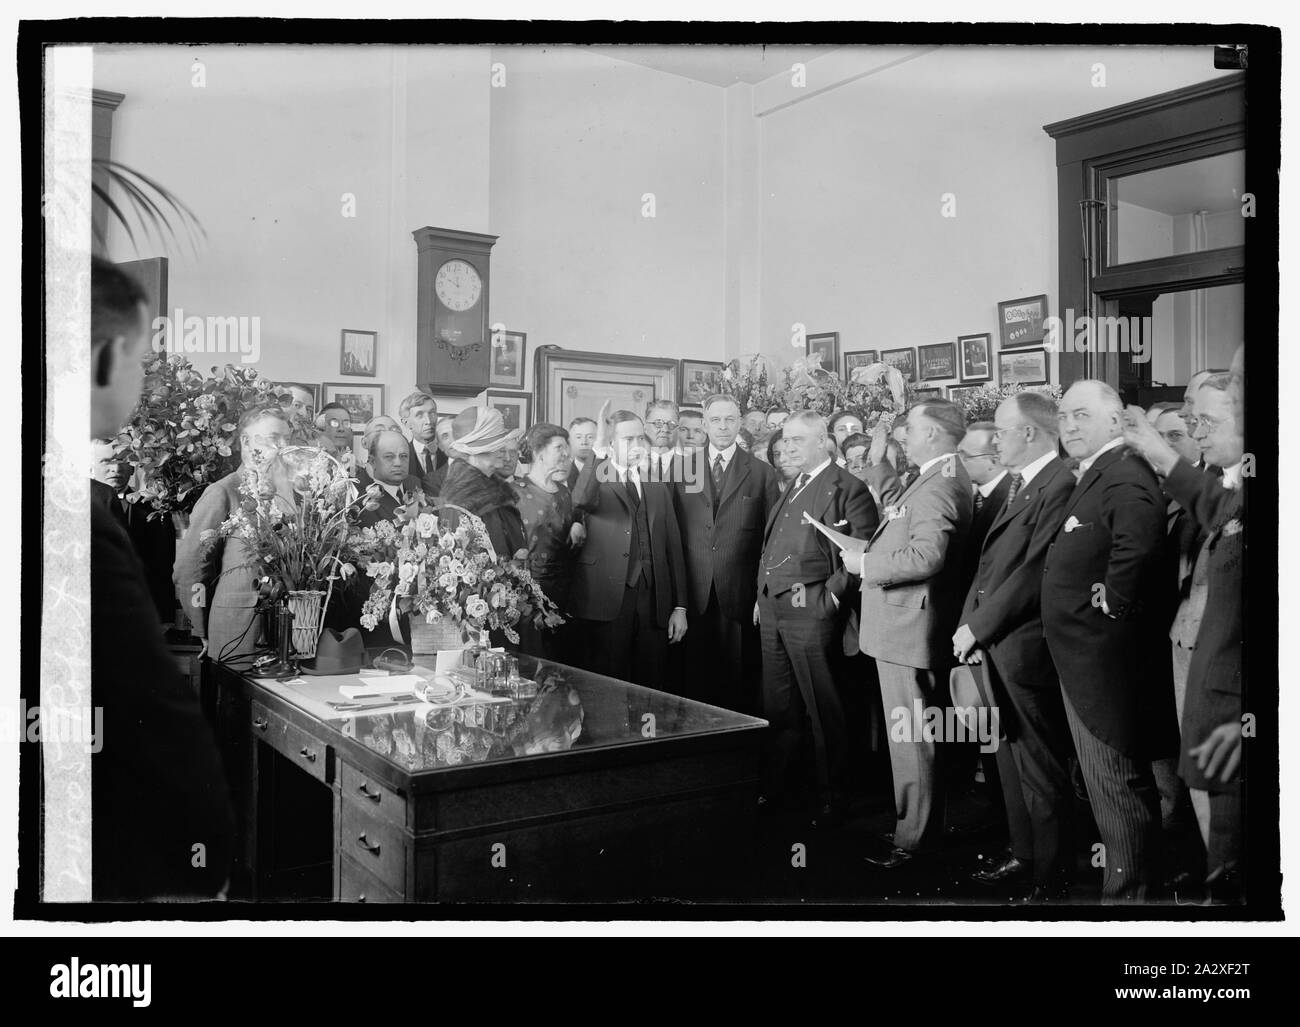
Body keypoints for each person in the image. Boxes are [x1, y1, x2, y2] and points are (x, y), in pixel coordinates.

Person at [88, 255, 232, 900]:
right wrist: (202, 859)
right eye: (142, 361)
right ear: (104, 357)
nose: (143, 380)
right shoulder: (77, 516)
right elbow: (145, 703)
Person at [1041, 379, 1176, 903]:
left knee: (1116, 789)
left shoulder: (1121, 472)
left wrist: (1112, 609)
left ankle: (1130, 904)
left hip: (1103, 663)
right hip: (1086, 660)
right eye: (1064, 417)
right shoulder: (1102, 470)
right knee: (1107, 789)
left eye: (1081, 415)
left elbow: (1138, 545)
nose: (1069, 425)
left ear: (1116, 422)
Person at [1123, 352, 1246, 902]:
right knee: (1203, 794)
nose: (1197, 432)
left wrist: (1158, 452)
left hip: (1229, 681)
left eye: (1209, 420)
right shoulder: (1220, 481)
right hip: (1195, 655)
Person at [951, 392, 1077, 900]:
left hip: (1025, 647)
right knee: (1012, 762)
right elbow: (988, 570)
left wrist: (978, 628)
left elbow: (1033, 572)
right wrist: (974, 629)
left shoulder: (1061, 482)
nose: (994, 439)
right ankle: (1025, 855)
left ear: (1029, 433)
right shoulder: (1028, 483)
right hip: (999, 643)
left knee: (1040, 769)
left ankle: (1051, 879)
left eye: (1002, 431)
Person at [840, 399, 972, 867]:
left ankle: (914, 841)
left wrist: (866, 564)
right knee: (914, 734)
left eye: (910, 429)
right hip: (905, 623)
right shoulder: (938, 474)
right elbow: (902, 511)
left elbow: (926, 557)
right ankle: (915, 827)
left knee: (911, 737)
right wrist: (879, 466)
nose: (904, 436)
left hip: (907, 626)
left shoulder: (940, 483)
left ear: (934, 433)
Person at [756, 410, 878, 823]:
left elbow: (862, 552)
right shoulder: (793, 485)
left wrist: (829, 601)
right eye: (785, 441)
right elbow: (772, 544)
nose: (787, 447)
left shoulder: (849, 487)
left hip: (812, 612)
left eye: (797, 441)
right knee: (781, 707)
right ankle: (784, 788)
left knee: (825, 709)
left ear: (823, 442)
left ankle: (833, 797)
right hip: (774, 609)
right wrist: (762, 594)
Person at [672, 394, 780, 712]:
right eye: (716, 420)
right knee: (692, 679)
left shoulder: (761, 472)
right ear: (705, 425)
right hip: (693, 590)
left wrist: (762, 593)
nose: (722, 426)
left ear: (740, 423)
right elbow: (672, 532)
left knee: (737, 680)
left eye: (730, 420)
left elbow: (770, 539)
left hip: (739, 591)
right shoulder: (681, 468)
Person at [570, 404, 689, 690]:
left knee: (651, 682)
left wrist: (680, 606)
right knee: (608, 683)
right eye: (627, 439)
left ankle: (648, 734)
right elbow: (581, 501)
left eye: (639, 438)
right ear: (610, 444)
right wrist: (597, 452)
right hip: (607, 599)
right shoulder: (596, 479)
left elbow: (674, 549)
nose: (636, 445)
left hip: (653, 600)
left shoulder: (657, 487)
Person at [175, 406, 295, 666]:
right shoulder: (223, 492)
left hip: (288, 635)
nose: (282, 447)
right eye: (273, 438)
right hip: (235, 633)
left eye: (286, 440)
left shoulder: (290, 495)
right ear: (245, 442)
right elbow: (190, 568)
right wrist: (202, 628)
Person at [91, 437, 178, 624]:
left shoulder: (156, 508)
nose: (115, 468)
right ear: (89, 467)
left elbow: (163, 567)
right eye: (106, 461)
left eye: (122, 460)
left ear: (132, 467)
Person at [515, 423, 579, 660]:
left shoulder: (564, 493)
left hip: (564, 591)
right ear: (539, 452)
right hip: (528, 592)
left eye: (567, 448)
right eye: (559, 447)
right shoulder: (515, 491)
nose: (566, 454)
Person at [437, 407, 527, 565]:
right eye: (495, 444)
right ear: (475, 450)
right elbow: (467, 567)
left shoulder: (493, 490)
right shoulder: (460, 499)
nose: (503, 449)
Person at [400, 390, 442, 497]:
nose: (428, 421)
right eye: (419, 415)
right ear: (406, 423)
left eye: (432, 413)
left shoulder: (453, 454)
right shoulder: (399, 459)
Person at [644, 399, 682, 482]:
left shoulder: (691, 466)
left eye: (671, 424)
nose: (665, 429)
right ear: (645, 427)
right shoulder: (633, 464)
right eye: (658, 423)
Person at [566, 416, 597, 490]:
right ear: (570, 441)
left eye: (590, 437)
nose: (584, 442)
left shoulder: (612, 473)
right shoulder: (562, 475)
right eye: (578, 437)